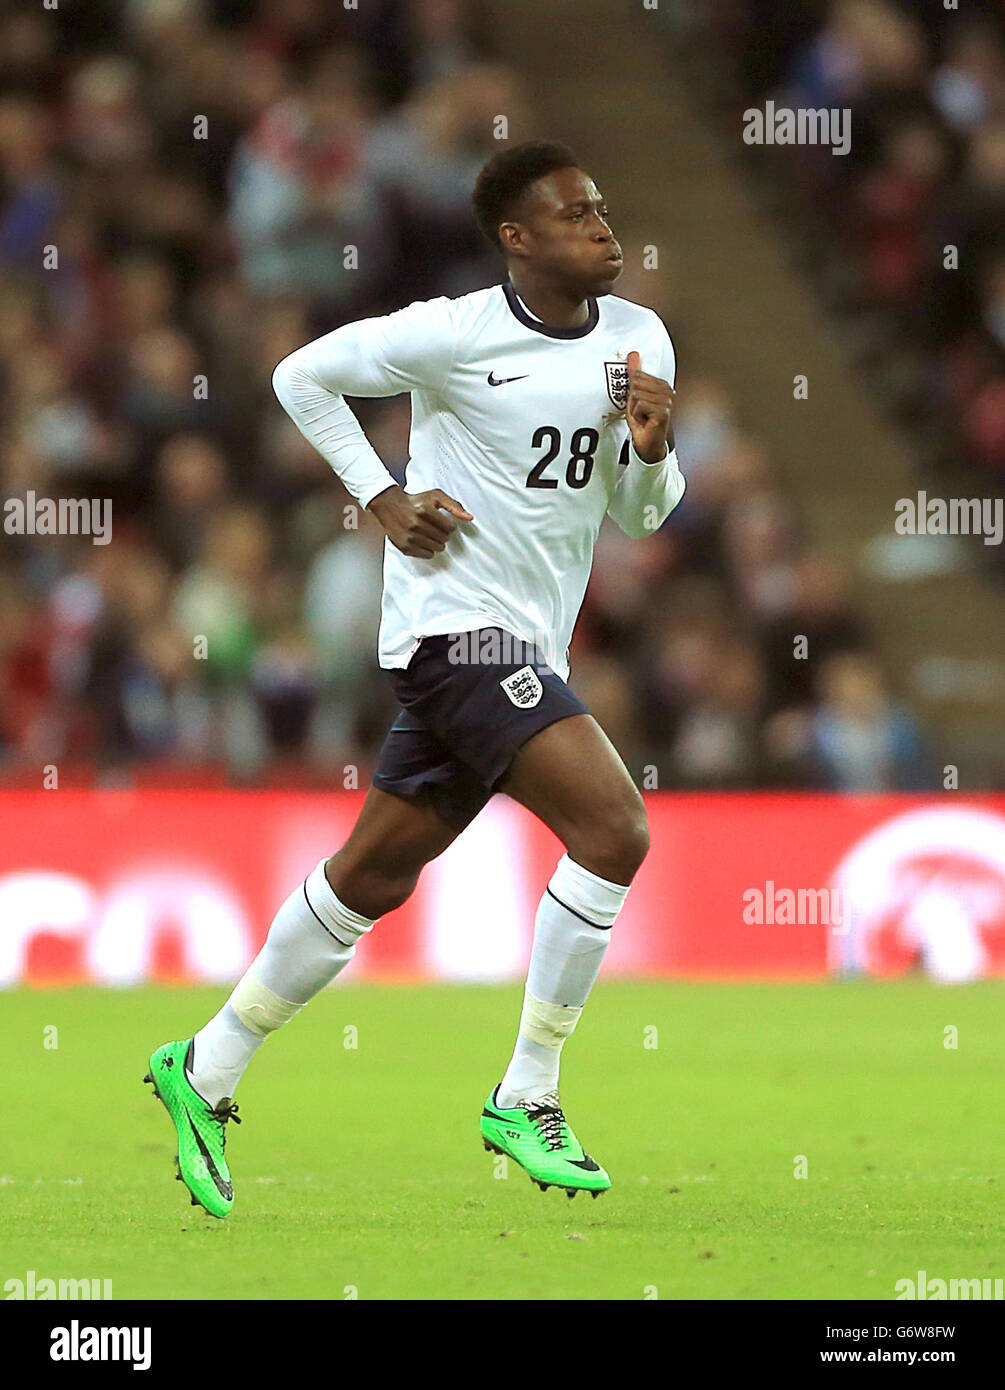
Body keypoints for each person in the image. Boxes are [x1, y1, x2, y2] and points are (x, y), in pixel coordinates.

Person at [145, 140, 686, 1214]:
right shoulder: (454, 333)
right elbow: (299, 375)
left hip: (531, 643)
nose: (604, 229)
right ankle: (526, 1093)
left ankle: (204, 1063)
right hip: (457, 636)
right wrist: (382, 497)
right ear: (517, 239)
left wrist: (654, 449)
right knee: (617, 831)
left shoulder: (639, 338)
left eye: (604, 208)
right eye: (575, 215)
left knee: (371, 876)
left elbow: (643, 515)